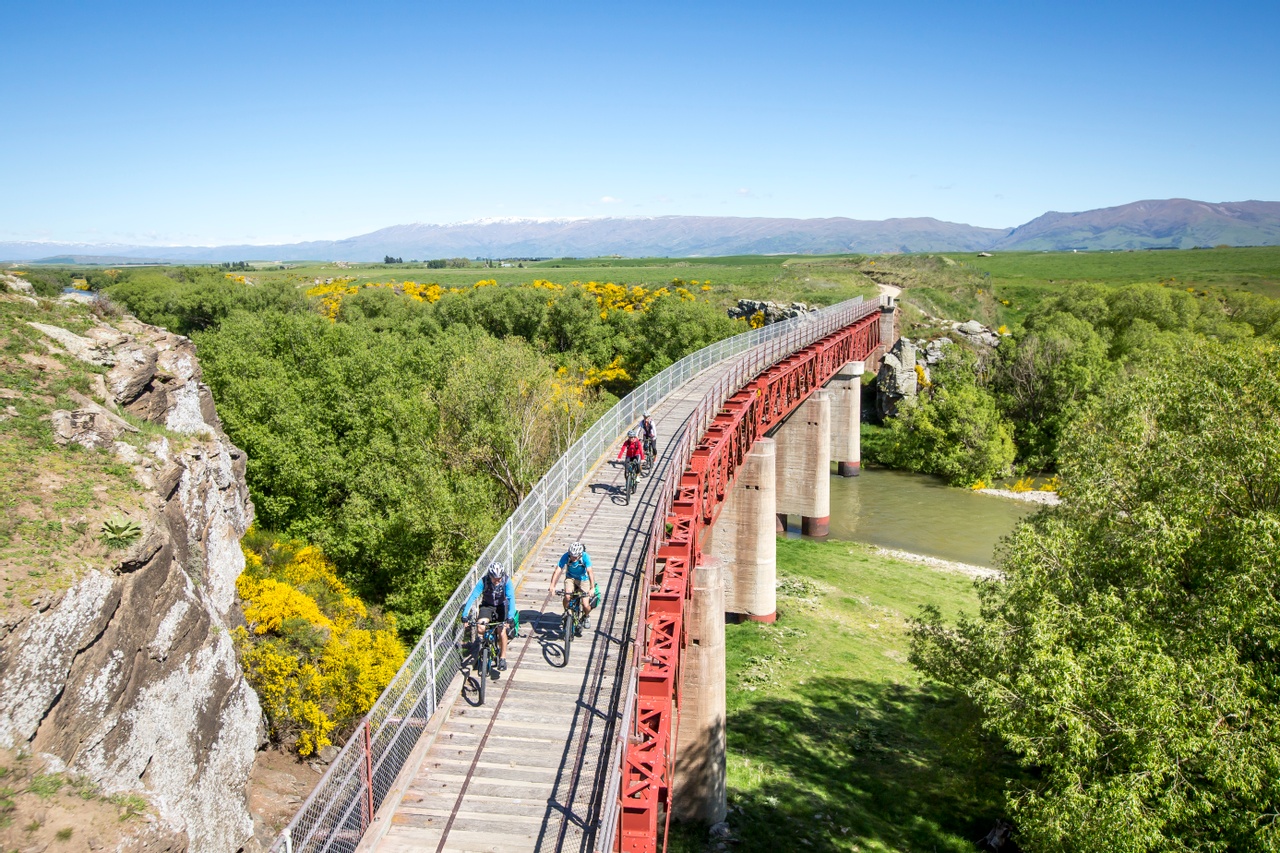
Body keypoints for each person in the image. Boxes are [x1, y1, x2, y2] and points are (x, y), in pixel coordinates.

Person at [462, 561, 516, 671]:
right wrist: (465, 615)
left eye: (499, 578)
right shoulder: (484, 581)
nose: (497, 581)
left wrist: (510, 617)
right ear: (490, 576)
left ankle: (502, 658)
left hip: (501, 607)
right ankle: (483, 647)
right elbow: (473, 597)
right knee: (481, 627)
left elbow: (511, 599)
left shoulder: (506, 581)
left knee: (502, 631)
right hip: (487, 606)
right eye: (495, 579)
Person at [550, 541, 596, 635]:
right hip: (570, 578)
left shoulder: (585, 557)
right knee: (567, 596)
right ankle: (566, 612)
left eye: (575, 557)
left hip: (583, 579)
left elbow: (590, 572)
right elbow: (558, 570)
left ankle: (586, 616)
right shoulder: (566, 556)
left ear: (580, 555)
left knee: (585, 604)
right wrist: (552, 585)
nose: (573, 558)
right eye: (571, 556)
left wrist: (592, 588)